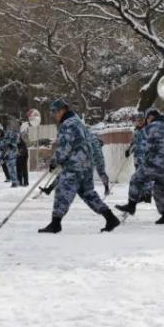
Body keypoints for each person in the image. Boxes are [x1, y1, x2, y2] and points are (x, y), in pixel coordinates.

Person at [40, 99, 120, 234]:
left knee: (62, 191)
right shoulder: (78, 122)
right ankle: (110, 217)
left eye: (55, 112)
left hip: (74, 166)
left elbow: (66, 146)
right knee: (88, 193)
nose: (54, 115)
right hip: (86, 165)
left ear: (62, 110)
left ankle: (55, 224)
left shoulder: (68, 124)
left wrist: (55, 160)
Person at [115, 108, 164, 224]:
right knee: (159, 189)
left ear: (150, 118)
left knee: (136, 179)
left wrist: (149, 157)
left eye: (147, 119)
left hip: (153, 163)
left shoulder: (150, 128)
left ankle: (131, 206)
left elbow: (143, 146)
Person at [85, 122, 111, 197]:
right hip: (100, 157)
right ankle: (106, 188)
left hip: (91, 157)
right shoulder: (95, 136)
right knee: (102, 172)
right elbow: (101, 143)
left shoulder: (84, 137)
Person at [16, 123, 30, 187]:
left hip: (24, 154)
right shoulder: (18, 135)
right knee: (18, 168)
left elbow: (24, 145)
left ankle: (26, 182)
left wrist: (21, 151)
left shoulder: (24, 135)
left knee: (24, 168)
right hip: (18, 154)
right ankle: (19, 182)